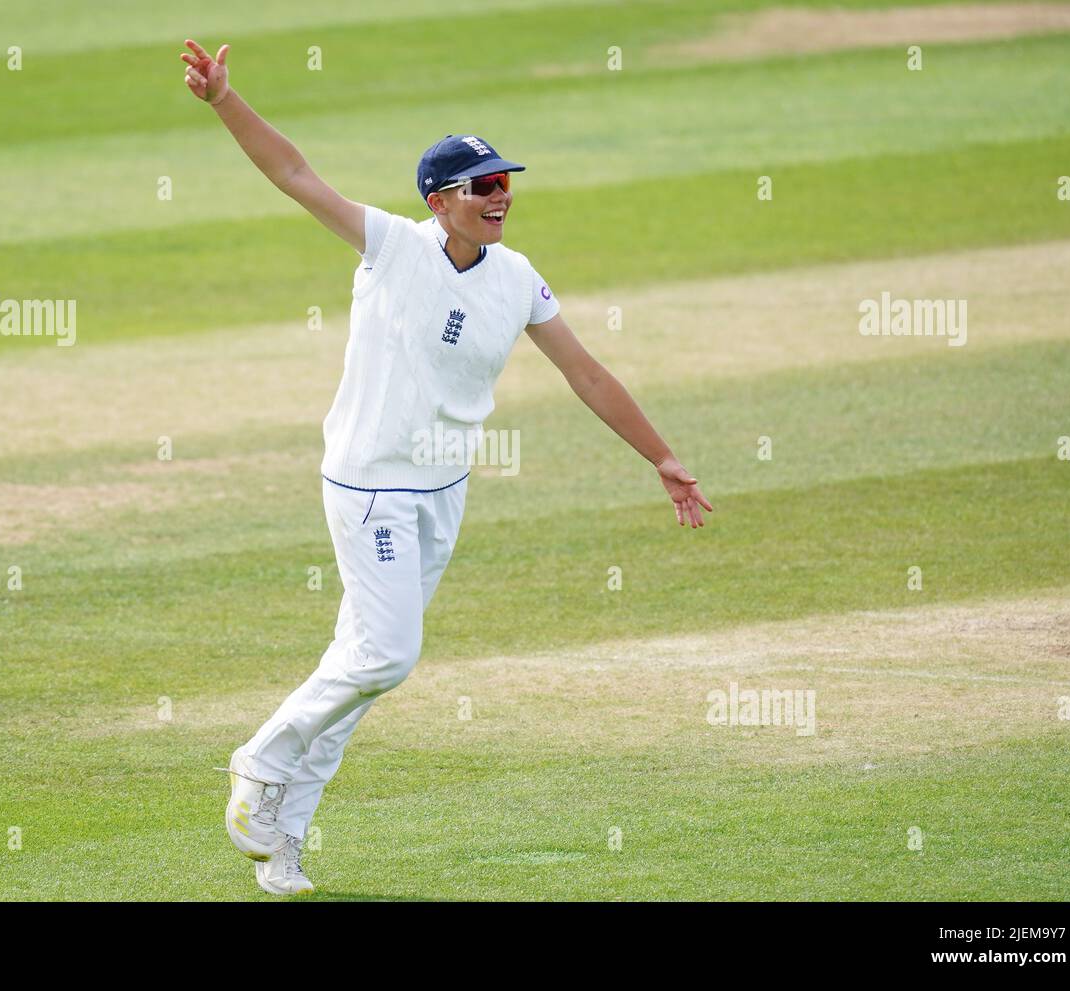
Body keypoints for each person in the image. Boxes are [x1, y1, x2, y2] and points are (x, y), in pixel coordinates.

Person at [182, 39, 713, 896]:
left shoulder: (518, 278)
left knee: (361, 664)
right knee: (388, 655)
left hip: (443, 491)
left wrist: (662, 456)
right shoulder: (392, 246)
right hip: (367, 482)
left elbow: (585, 372)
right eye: (484, 186)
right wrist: (223, 101)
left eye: (507, 184)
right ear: (441, 201)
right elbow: (294, 174)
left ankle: (285, 838)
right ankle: (259, 759)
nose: (501, 197)